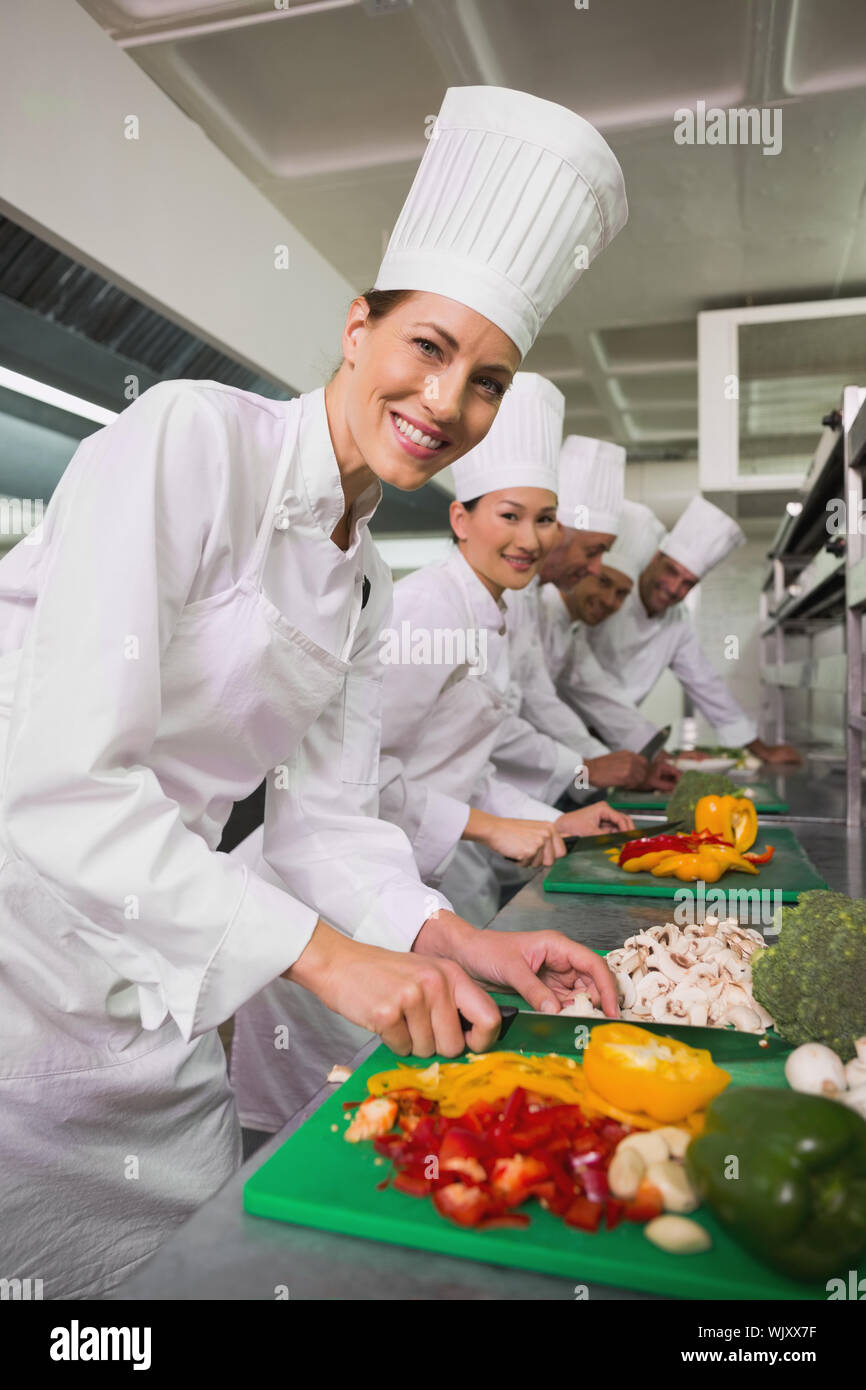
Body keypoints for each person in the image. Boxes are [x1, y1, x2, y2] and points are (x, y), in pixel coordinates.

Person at [0, 84, 629, 1298]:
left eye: (486, 380)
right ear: (357, 330)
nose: (446, 403)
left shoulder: (366, 589)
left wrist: (458, 936)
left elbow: (331, 820)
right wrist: (327, 957)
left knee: (185, 1255)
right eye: (427, 349)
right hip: (19, 949)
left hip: (158, 968)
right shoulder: (191, 439)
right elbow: (62, 781)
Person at [229, 375, 634, 1131]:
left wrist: (554, 814)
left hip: (392, 887)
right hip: (319, 892)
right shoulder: (422, 610)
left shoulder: (492, 612)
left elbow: (473, 754)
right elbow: (362, 778)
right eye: (510, 515)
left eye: (544, 519)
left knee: (390, 1108)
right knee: (324, 1118)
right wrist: (488, 826)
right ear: (462, 518)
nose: (530, 537)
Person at [505, 442, 678, 794]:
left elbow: (563, 697)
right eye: (593, 554)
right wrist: (589, 767)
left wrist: (621, 762)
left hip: (502, 802)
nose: (595, 567)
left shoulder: (536, 603)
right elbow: (507, 719)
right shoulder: (489, 599)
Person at [587, 496, 802, 762]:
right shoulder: (607, 599)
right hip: (566, 726)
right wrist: (657, 754)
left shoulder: (677, 620)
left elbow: (706, 684)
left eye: (688, 583)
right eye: (671, 572)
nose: (674, 588)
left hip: (617, 737)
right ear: (656, 558)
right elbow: (582, 681)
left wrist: (761, 750)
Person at [536, 499, 674, 755]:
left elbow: (601, 695)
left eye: (622, 593)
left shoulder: (571, 632)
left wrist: (652, 753)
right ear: (584, 570)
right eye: (603, 582)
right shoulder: (537, 612)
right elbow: (535, 704)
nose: (610, 600)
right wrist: (595, 763)